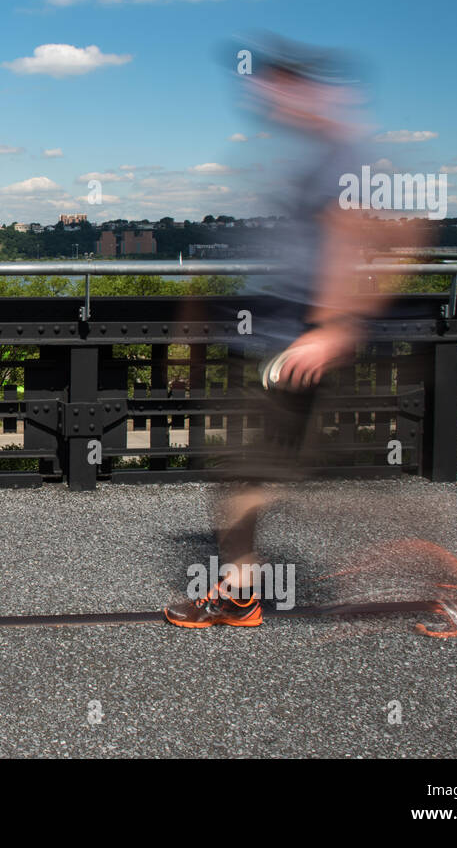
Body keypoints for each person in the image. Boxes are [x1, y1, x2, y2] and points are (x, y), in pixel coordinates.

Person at [165, 36, 393, 628]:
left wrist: (335, 325)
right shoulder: (321, 157)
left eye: (271, 84)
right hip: (276, 336)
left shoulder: (343, 156)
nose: (261, 96)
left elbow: (373, 234)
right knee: (249, 471)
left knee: (249, 471)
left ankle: (243, 595)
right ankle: (243, 589)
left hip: (294, 344)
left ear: (303, 88)